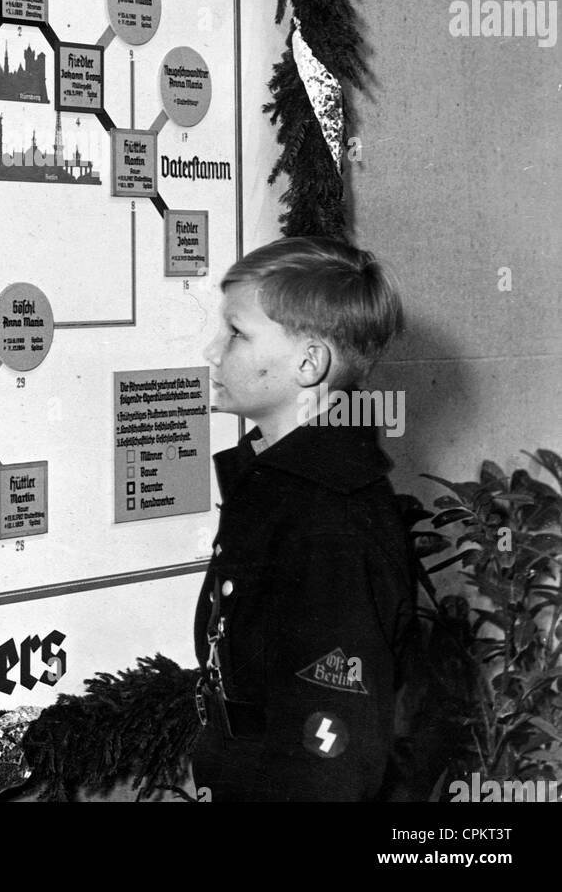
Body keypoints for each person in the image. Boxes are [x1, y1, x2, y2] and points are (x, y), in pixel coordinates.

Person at [191, 236, 416, 801]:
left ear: (309, 363)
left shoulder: (329, 522)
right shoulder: (277, 484)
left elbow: (332, 757)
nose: (212, 351)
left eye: (236, 333)